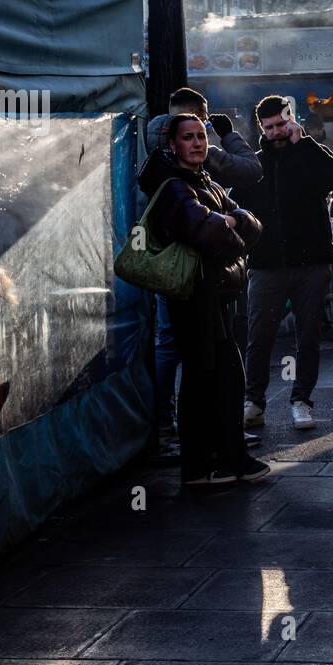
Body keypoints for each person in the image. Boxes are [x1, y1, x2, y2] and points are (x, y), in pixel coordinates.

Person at [137, 114, 265, 486]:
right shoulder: (176, 187)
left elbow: (250, 227)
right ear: (172, 145)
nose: (197, 143)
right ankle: (201, 466)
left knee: (221, 377)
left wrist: (232, 219)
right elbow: (206, 232)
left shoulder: (202, 181)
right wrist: (228, 221)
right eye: (188, 138)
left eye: (201, 137)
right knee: (203, 379)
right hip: (195, 296)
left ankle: (225, 458)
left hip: (215, 295)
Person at [231, 95, 333, 432]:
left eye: (282, 124)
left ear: (291, 120)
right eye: (270, 127)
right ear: (261, 129)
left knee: (307, 336)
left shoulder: (309, 154)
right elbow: (237, 206)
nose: (277, 131)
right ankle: (253, 402)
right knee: (259, 337)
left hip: (311, 263)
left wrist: (303, 143)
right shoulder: (254, 164)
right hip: (266, 265)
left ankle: (301, 401)